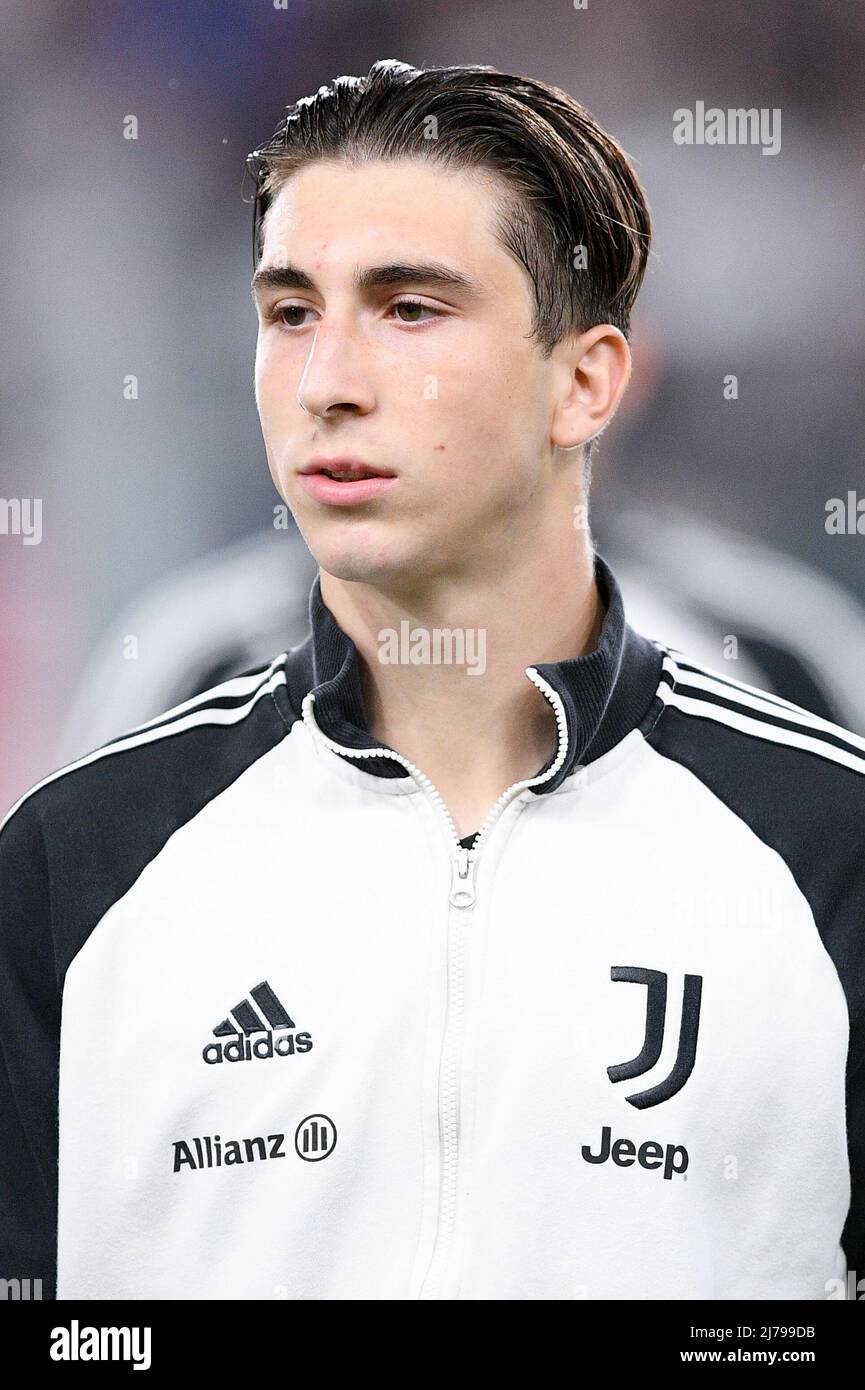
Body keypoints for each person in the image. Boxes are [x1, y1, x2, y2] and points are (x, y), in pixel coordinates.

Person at [1, 58, 863, 1301]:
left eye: (411, 309)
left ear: (589, 381)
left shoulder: (824, 833)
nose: (326, 383)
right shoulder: (75, 854)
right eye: (291, 313)